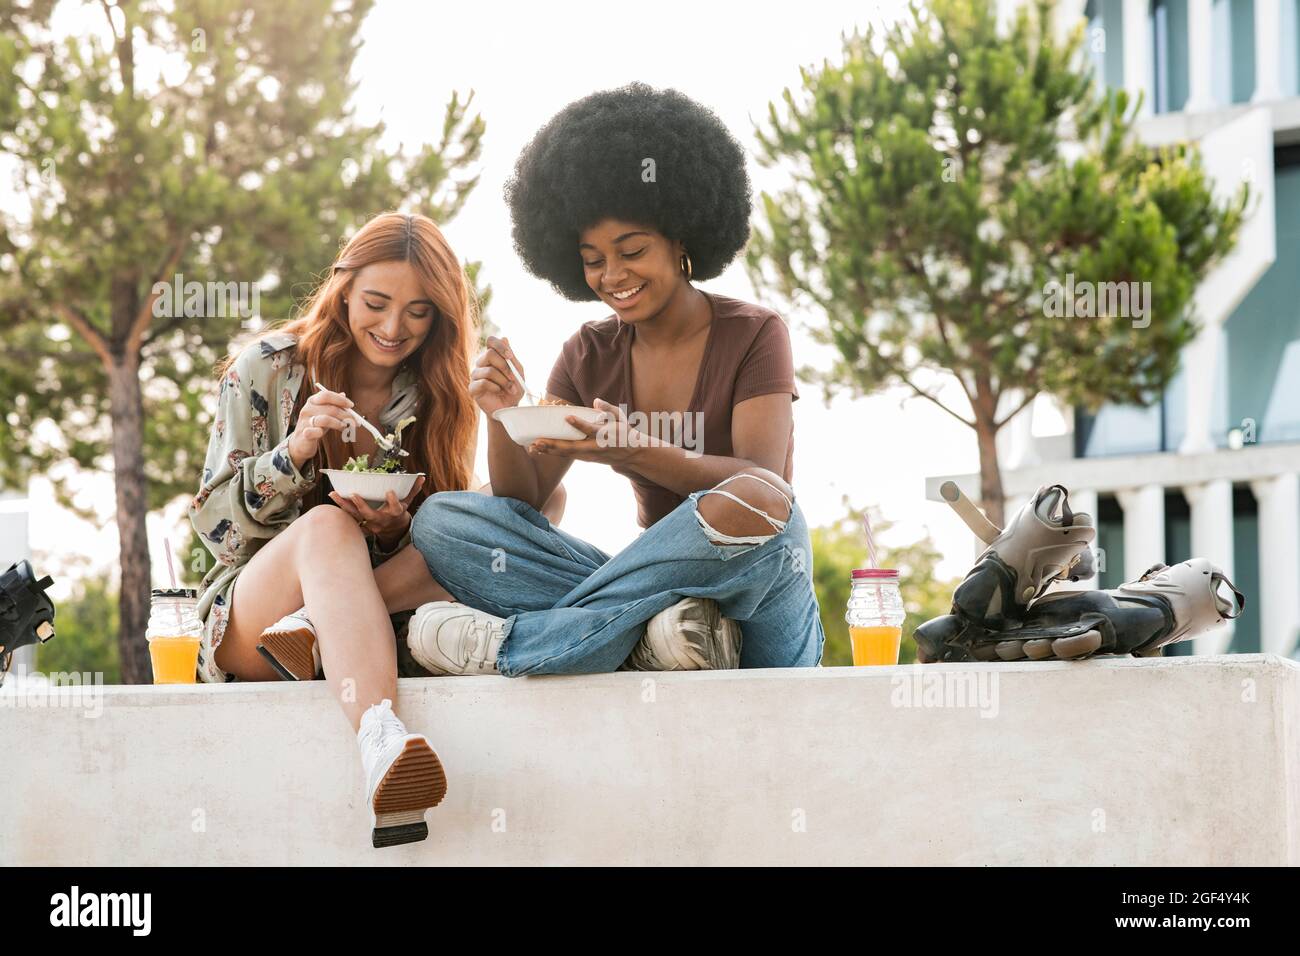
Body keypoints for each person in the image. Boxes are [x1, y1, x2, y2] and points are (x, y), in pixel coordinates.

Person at [404, 83, 825, 677]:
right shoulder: (587, 353)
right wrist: (499, 415)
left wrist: (636, 450)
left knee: (760, 503)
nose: (612, 275)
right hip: (668, 608)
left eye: (632, 251)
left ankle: (525, 646)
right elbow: (523, 501)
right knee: (446, 521)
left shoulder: (755, 333)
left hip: (759, 595)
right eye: (593, 258)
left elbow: (763, 489)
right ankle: (650, 638)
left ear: (681, 239)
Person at [189, 211, 560, 847]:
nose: (394, 329)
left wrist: (395, 530)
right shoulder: (268, 369)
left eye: (418, 312)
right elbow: (216, 530)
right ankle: (380, 737)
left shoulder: (438, 395)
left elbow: (447, 539)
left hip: (366, 624)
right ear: (343, 287)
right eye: (377, 303)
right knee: (329, 527)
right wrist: (295, 453)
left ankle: (318, 631)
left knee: (537, 500)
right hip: (252, 625)